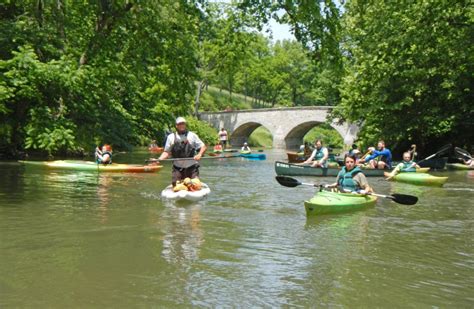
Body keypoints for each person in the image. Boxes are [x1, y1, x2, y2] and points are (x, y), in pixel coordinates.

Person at [157, 117, 207, 187]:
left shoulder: (192, 135)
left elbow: (203, 146)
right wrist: (158, 160)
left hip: (192, 168)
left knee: (195, 186)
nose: (182, 125)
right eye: (180, 124)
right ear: (176, 126)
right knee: (176, 186)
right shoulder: (170, 137)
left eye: (183, 123)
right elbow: (166, 152)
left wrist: (200, 154)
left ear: (185, 125)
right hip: (177, 168)